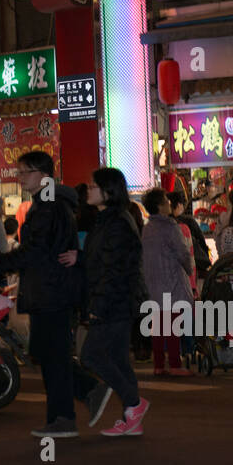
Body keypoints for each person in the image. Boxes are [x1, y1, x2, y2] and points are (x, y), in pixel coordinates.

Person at [0, 151, 85, 439]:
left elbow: (36, 251)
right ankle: (74, 405)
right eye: (20, 171)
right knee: (48, 353)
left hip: (51, 291)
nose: (20, 177)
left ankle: (64, 416)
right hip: (49, 290)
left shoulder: (48, 206)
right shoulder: (47, 203)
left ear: (43, 175)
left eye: (25, 172)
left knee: (53, 356)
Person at [80, 168, 151, 437]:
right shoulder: (106, 220)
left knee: (91, 355)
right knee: (120, 360)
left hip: (115, 301)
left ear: (108, 191)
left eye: (93, 185)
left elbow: (114, 270)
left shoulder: (117, 223)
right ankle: (132, 419)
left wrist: (97, 306)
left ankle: (133, 403)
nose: (89, 189)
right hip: (116, 300)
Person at [140, 188, 195, 377]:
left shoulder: (147, 228)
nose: (169, 203)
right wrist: (189, 270)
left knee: (158, 325)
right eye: (165, 201)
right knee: (172, 324)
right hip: (171, 279)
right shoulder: (170, 226)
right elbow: (182, 252)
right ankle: (174, 363)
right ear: (159, 206)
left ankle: (158, 364)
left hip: (153, 281)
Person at [169, 190, 211, 281]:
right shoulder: (187, 223)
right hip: (191, 270)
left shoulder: (158, 227)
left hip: (169, 278)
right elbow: (201, 242)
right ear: (179, 205)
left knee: (167, 295)